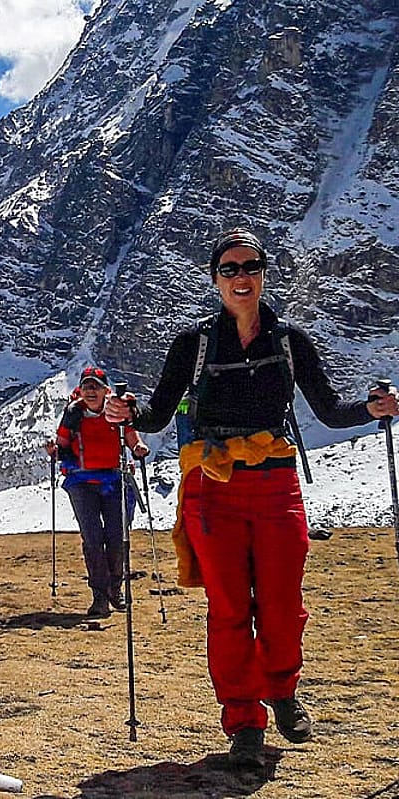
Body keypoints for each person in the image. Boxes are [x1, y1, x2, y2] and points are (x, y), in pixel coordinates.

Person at [103, 227, 399, 769]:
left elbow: (331, 411)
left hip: (276, 484)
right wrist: (124, 415)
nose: (242, 277)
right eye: (231, 269)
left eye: (251, 267)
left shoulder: (290, 341)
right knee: (231, 609)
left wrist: (371, 410)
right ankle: (243, 720)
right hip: (212, 490)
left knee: (284, 605)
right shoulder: (192, 343)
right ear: (216, 279)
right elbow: (159, 415)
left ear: (264, 273)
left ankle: (281, 691)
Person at [46, 365, 150, 617]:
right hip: (81, 483)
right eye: (86, 386)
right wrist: (54, 451)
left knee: (116, 538)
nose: (91, 391)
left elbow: (133, 438)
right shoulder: (73, 414)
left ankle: (114, 589)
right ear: (80, 390)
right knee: (93, 540)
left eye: (95, 386)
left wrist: (139, 449)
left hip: (113, 479)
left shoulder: (117, 412)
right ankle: (101, 596)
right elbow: (62, 446)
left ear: (106, 391)